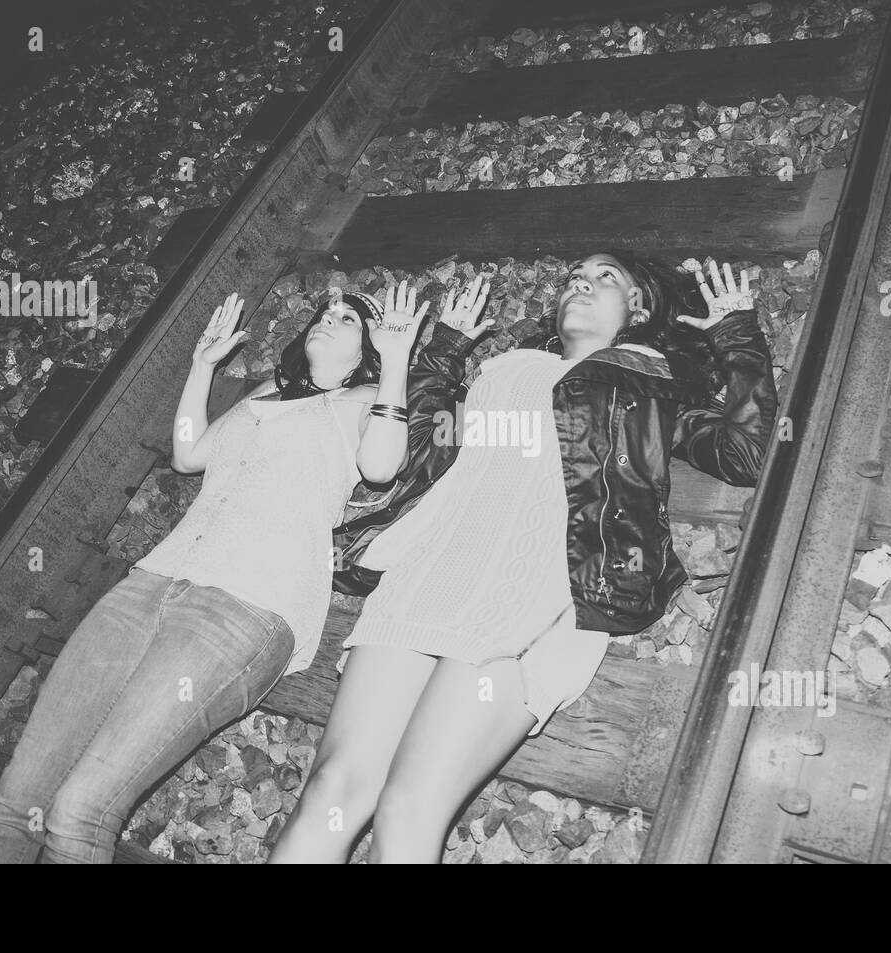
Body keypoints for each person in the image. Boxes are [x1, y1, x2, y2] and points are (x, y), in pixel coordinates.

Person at [270, 252, 778, 864]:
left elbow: (744, 452)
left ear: (639, 306)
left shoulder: (651, 385)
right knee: (332, 790)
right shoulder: (503, 371)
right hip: (426, 578)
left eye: (605, 276)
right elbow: (422, 448)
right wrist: (446, 349)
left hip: (531, 597)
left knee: (409, 806)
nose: (581, 282)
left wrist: (737, 334)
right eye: (574, 277)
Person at [0, 282, 440, 863]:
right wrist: (201, 367)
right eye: (325, 313)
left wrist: (394, 363)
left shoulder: (366, 400)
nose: (328, 320)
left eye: (347, 319)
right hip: (148, 585)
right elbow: (189, 455)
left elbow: (383, 465)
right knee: (14, 802)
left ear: (366, 350)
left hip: (244, 606)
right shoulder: (266, 393)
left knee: (79, 813)